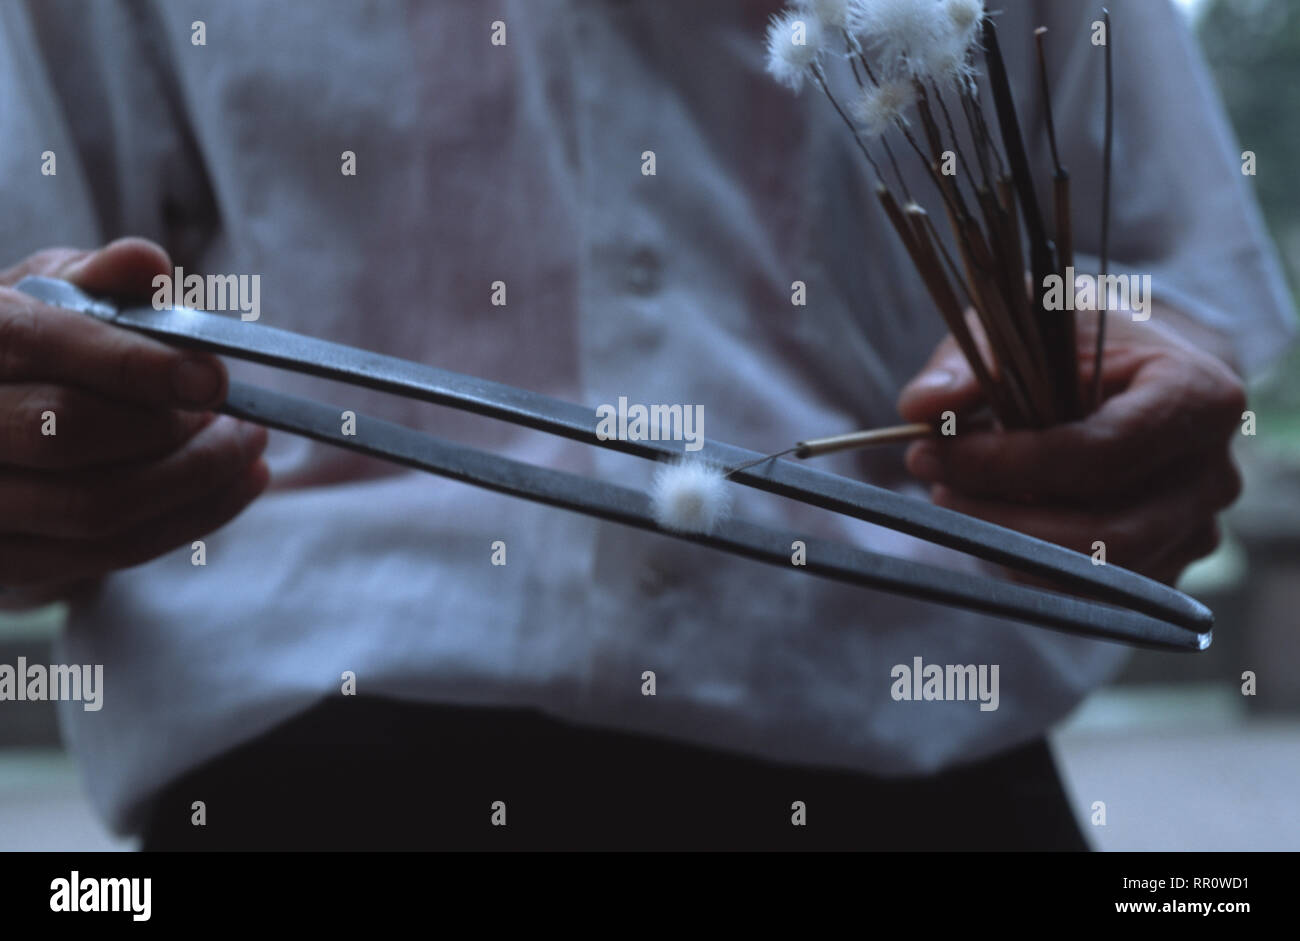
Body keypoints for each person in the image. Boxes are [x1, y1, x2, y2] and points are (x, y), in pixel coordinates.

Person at [0, 0, 1292, 850]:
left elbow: (1169, 275)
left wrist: (1124, 396)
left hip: (924, 763)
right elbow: (40, 311)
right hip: (295, 778)